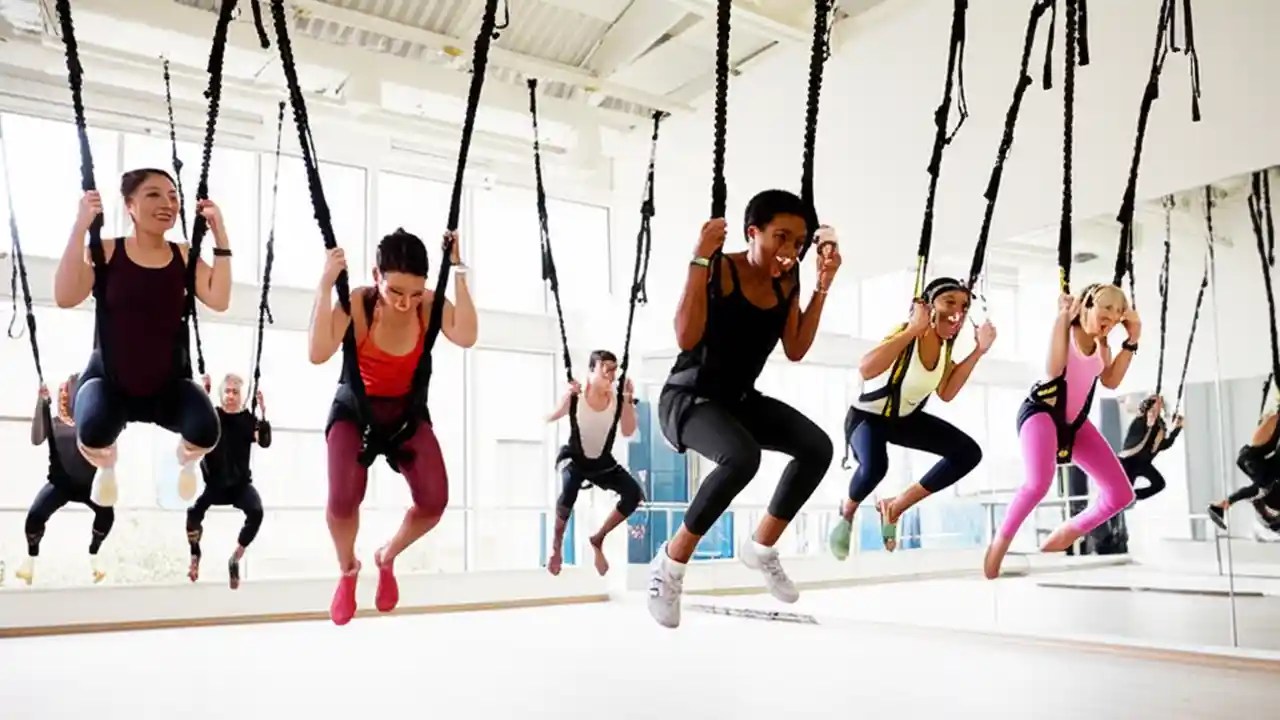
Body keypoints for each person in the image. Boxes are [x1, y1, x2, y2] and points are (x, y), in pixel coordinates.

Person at [647, 190, 841, 629]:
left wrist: (822, 286)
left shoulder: (786, 281)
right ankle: (670, 565)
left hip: (738, 400)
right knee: (742, 458)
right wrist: (699, 257)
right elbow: (685, 336)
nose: (790, 251)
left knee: (817, 447)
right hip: (689, 397)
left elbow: (795, 348)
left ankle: (761, 548)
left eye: (798, 243)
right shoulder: (719, 268)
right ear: (752, 233)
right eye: (781, 237)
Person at [309, 228, 477, 626]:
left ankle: (387, 555)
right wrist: (324, 284)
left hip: (405, 412)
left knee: (434, 501)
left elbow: (467, 335)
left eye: (414, 293)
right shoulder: (360, 305)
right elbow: (317, 353)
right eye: (396, 291)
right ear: (375, 275)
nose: (405, 303)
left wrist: (458, 269)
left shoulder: (428, 308)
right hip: (356, 409)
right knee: (343, 500)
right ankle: (348, 568)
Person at [52, 169, 230, 509]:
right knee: (92, 431)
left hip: (168, 386)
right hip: (110, 382)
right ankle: (106, 464)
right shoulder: (106, 251)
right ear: (129, 204)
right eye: (153, 195)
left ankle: (186, 459)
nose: (167, 204)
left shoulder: (183, 256)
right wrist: (80, 225)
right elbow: (65, 295)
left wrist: (221, 236)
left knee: (207, 430)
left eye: (173, 196)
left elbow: (219, 299)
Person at [829, 277, 995, 557]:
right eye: (949, 302)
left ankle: (895, 507)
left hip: (904, 419)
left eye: (964, 306)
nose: (958, 311)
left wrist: (979, 351)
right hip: (868, 418)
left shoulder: (945, 348)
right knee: (875, 467)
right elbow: (866, 368)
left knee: (968, 453)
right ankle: (848, 511)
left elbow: (947, 392)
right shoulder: (907, 333)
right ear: (929, 306)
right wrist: (912, 330)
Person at [984, 284, 1140, 578]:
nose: (1114, 316)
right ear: (1087, 305)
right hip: (1041, 411)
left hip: (1074, 424)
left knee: (1121, 494)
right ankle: (998, 545)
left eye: (1119, 312)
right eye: (1107, 308)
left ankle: (1067, 534)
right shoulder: (1066, 329)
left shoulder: (1101, 345)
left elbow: (1111, 381)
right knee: (1038, 484)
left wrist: (1132, 338)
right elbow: (1054, 370)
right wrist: (1062, 317)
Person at [544, 350, 644, 577]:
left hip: (601, 462)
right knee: (569, 488)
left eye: (614, 369)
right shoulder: (576, 398)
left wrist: (628, 400)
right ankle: (556, 547)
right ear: (592, 370)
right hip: (574, 458)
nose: (611, 374)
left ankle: (598, 538)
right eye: (605, 368)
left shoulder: (618, 401)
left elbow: (628, 432)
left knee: (633, 494)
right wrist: (564, 398)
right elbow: (549, 417)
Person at [17, 374, 113, 585]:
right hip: (60, 484)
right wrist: (41, 404)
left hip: (89, 485)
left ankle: (94, 556)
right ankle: (31, 561)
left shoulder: (92, 422)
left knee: (107, 514)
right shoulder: (54, 422)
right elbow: (36, 439)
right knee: (34, 518)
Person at [186, 373, 272, 589]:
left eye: (235, 392)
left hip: (239, 486)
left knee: (257, 511)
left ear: (241, 396)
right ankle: (195, 556)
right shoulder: (212, 417)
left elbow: (264, 441)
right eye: (228, 391)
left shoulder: (247, 419)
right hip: (214, 486)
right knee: (193, 514)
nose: (231, 395)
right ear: (221, 394)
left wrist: (262, 413)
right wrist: (202, 394)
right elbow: (195, 422)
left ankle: (235, 557)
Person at [1207, 409, 1279, 530]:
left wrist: (1229, 501)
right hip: (1254, 463)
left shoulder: (1264, 489)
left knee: (1262, 482)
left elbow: (1252, 491)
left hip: (1254, 463)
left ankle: (1222, 504)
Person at [1118, 394, 1183, 502]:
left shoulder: (1160, 427)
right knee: (1124, 491)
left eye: (1157, 410)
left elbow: (1164, 444)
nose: (1153, 413)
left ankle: (1132, 496)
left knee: (1159, 484)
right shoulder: (1139, 422)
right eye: (1151, 410)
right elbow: (1143, 411)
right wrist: (1152, 403)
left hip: (1143, 463)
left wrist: (1177, 429)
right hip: (1128, 461)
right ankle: (1125, 498)